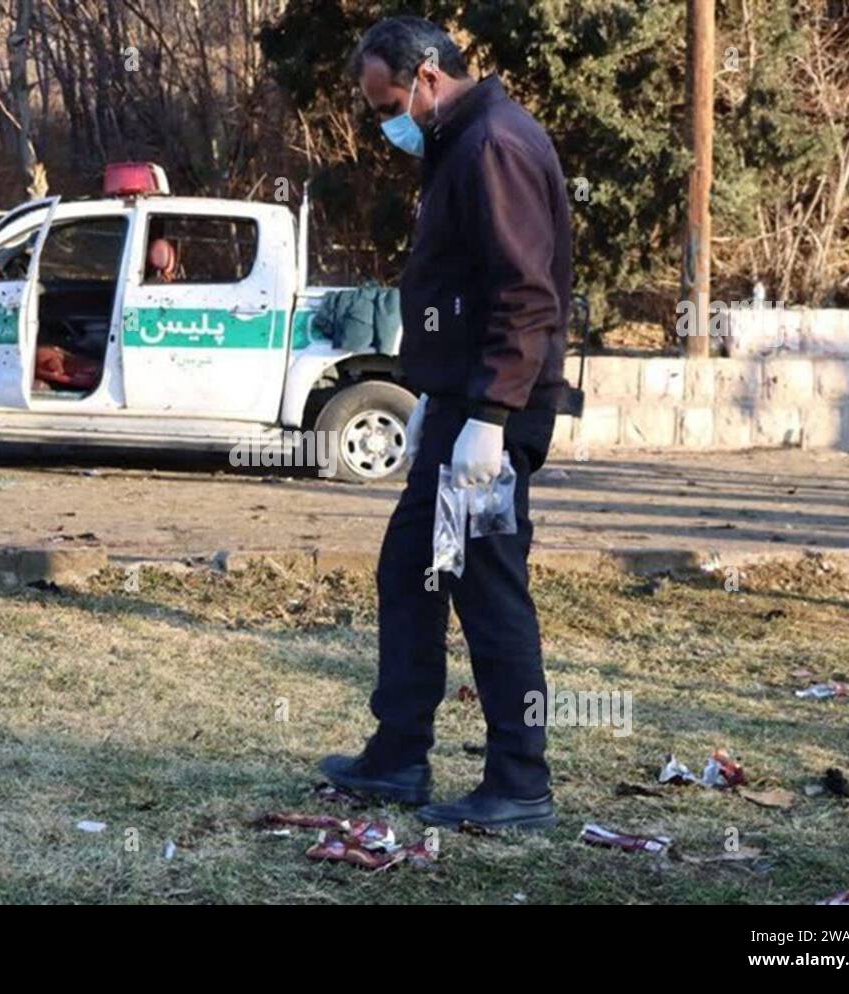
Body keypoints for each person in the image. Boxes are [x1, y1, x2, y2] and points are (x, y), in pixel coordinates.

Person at [319, 15, 572, 831]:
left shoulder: (493, 144)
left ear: (426, 77)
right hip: (462, 401)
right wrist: (434, 391)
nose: (386, 121)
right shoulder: (462, 142)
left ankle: (519, 781)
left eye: (389, 101)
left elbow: (525, 294)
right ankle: (397, 756)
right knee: (411, 572)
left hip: (491, 413)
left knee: (490, 591)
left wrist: (491, 416)